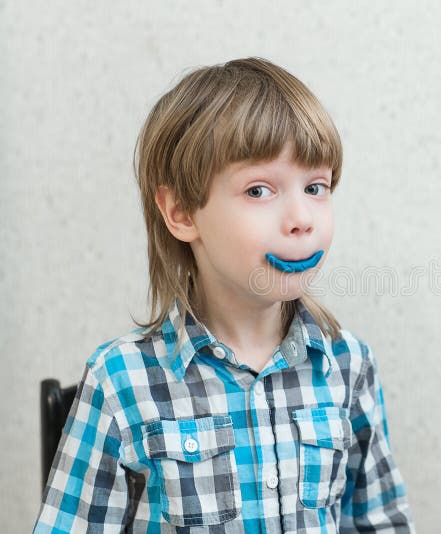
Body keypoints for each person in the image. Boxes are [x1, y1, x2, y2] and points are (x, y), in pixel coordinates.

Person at [34, 57, 416, 533]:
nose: (302, 217)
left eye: (316, 186)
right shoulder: (120, 381)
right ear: (181, 212)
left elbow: (380, 522)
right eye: (259, 190)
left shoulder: (351, 365)